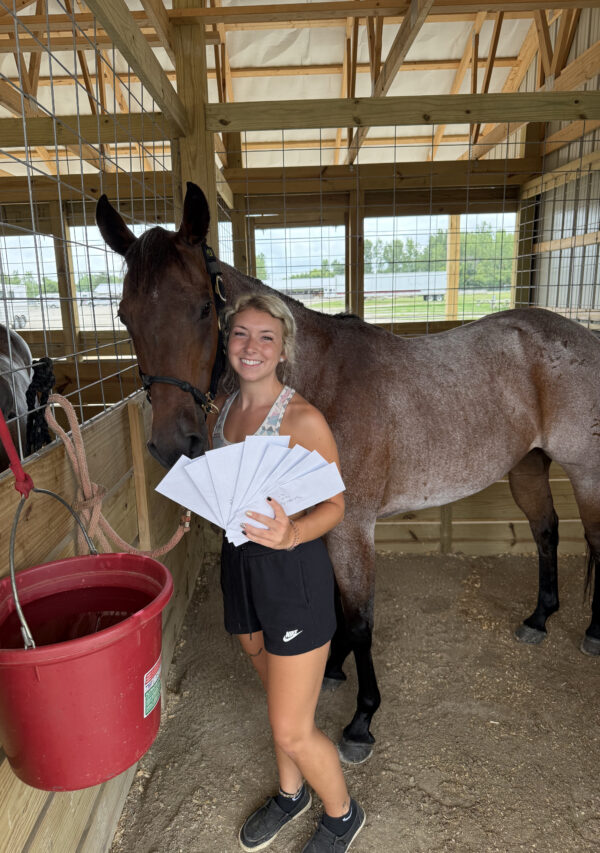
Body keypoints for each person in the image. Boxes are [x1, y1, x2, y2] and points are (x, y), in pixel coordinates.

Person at [209, 291, 365, 853]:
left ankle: (343, 814)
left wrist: (292, 533)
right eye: (241, 335)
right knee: (278, 703)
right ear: (228, 343)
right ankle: (291, 792)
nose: (251, 347)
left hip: (292, 576)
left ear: (282, 351)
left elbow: (336, 505)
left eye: (265, 337)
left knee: (291, 728)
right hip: (240, 570)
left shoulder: (302, 418)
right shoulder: (222, 411)